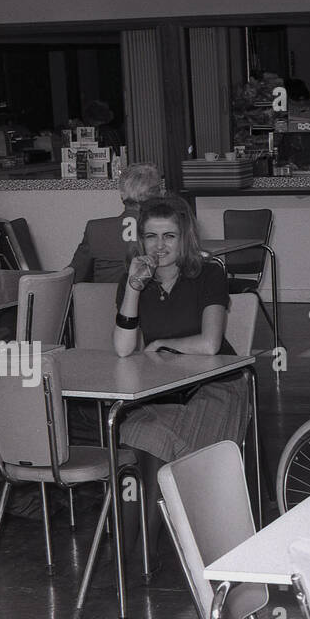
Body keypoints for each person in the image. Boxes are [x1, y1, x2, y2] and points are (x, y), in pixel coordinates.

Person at [112, 196, 250, 558]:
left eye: (169, 236)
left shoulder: (209, 273)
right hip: (163, 390)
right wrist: (132, 288)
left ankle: (145, 547)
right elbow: (125, 349)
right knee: (138, 434)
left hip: (218, 384)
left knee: (156, 436)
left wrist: (160, 343)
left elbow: (209, 344)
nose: (159, 246)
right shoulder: (135, 281)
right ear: (139, 240)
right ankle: (134, 546)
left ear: (185, 238)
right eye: (151, 236)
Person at [69, 162, 163, 284]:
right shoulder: (168, 230)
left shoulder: (96, 229)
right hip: (153, 301)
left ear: (122, 194)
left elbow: (74, 277)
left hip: (105, 301)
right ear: (158, 195)